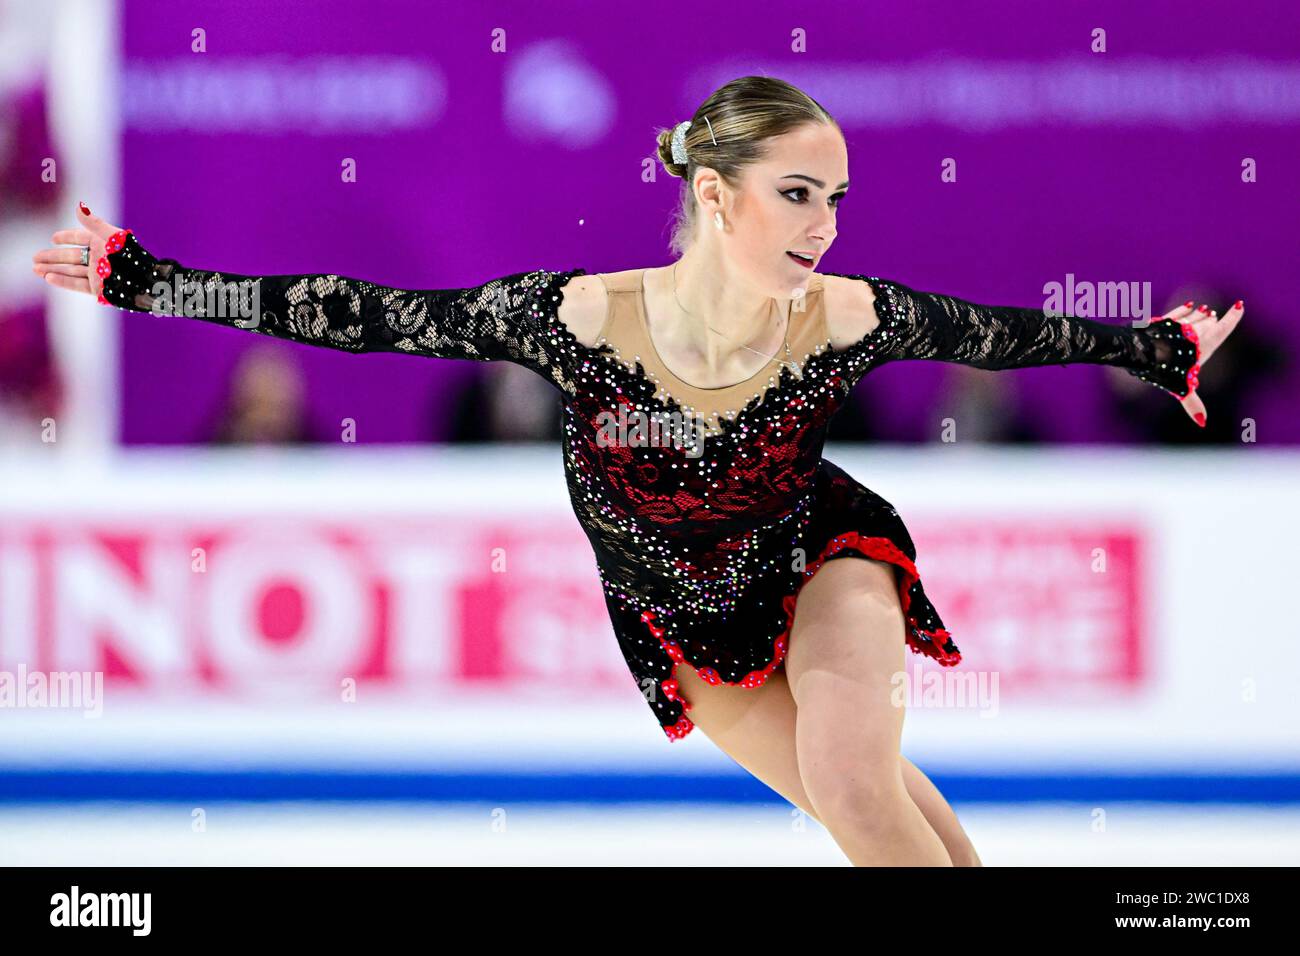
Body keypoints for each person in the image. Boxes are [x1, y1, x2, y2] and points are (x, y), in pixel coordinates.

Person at [31, 76, 1242, 867]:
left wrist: (1154, 345)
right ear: (713, 195)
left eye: (836, 197)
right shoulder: (577, 319)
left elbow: (1004, 332)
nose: (824, 224)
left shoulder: (843, 315)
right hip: (677, 622)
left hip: (818, 555)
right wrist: (147, 278)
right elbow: (360, 311)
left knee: (855, 780)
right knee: (863, 804)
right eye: (796, 195)